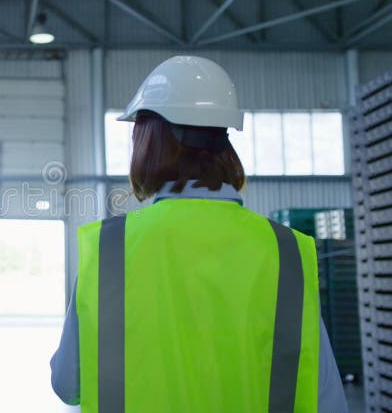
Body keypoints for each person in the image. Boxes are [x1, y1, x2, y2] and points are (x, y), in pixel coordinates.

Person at [50, 56, 348, 412]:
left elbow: (68, 383)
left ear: (149, 142)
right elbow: (326, 397)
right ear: (225, 141)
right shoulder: (286, 250)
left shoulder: (111, 248)